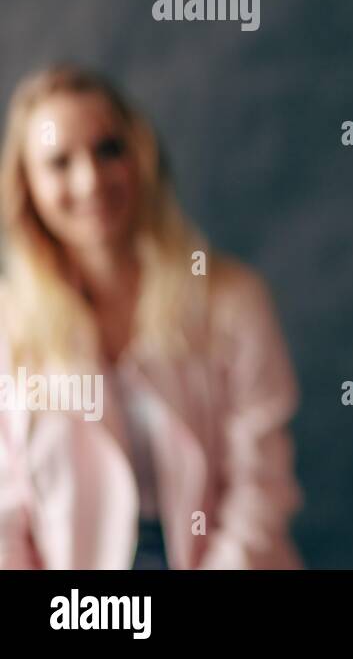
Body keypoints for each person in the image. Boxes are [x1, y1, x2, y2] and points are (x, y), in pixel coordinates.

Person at [0, 65, 303, 569]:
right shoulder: (8, 327)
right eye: (59, 162)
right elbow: (5, 518)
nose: (90, 179)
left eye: (107, 149)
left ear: (139, 157)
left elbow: (261, 489)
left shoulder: (233, 300)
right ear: (27, 186)